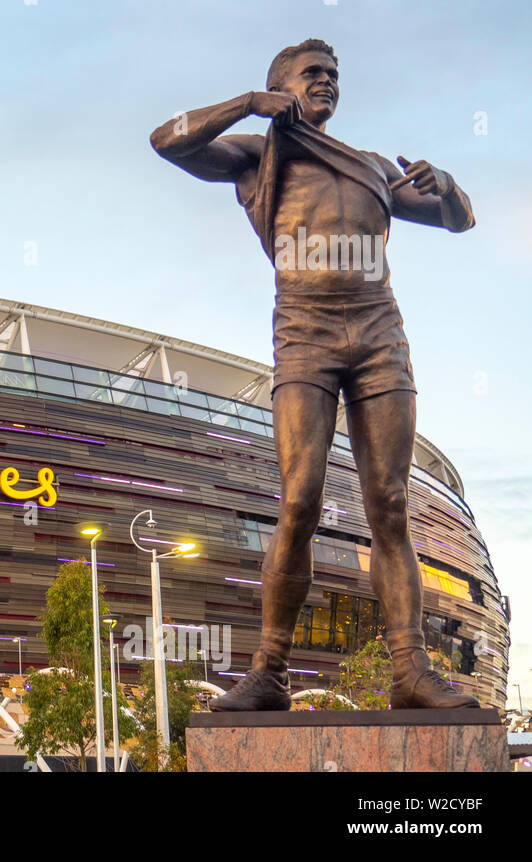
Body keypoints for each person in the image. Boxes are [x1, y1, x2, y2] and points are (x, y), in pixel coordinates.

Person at [149, 38, 478, 710]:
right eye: (312, 74)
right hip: (304, 335)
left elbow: (460, 220)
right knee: (299, 499)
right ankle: (269, 671)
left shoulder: (372, 166)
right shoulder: (258, 154)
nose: (327, 81)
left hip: (380, 336)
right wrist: (245, 105)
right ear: (280, 87)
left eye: (334, 75)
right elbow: (166, 140)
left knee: (388, 506)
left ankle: (410, 671)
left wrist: (448, 188)